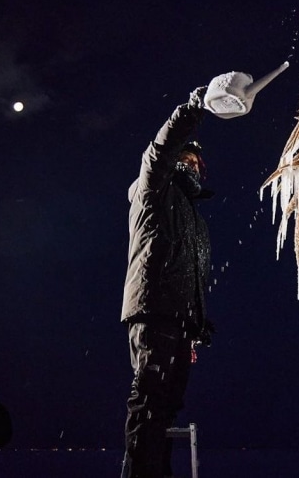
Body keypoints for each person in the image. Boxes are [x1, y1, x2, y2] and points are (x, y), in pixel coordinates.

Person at [120, 86, 215, 478]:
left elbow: (191, 270)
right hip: (154, 311)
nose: (193, 165)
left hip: (178, 323)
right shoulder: (153, 189)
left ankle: (159, 473)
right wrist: (195, 105)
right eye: (187, 158)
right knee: (148, 401)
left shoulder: (192, 213)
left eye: (198, 162)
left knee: (166, 409)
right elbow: (161, 146)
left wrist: (197, 325)